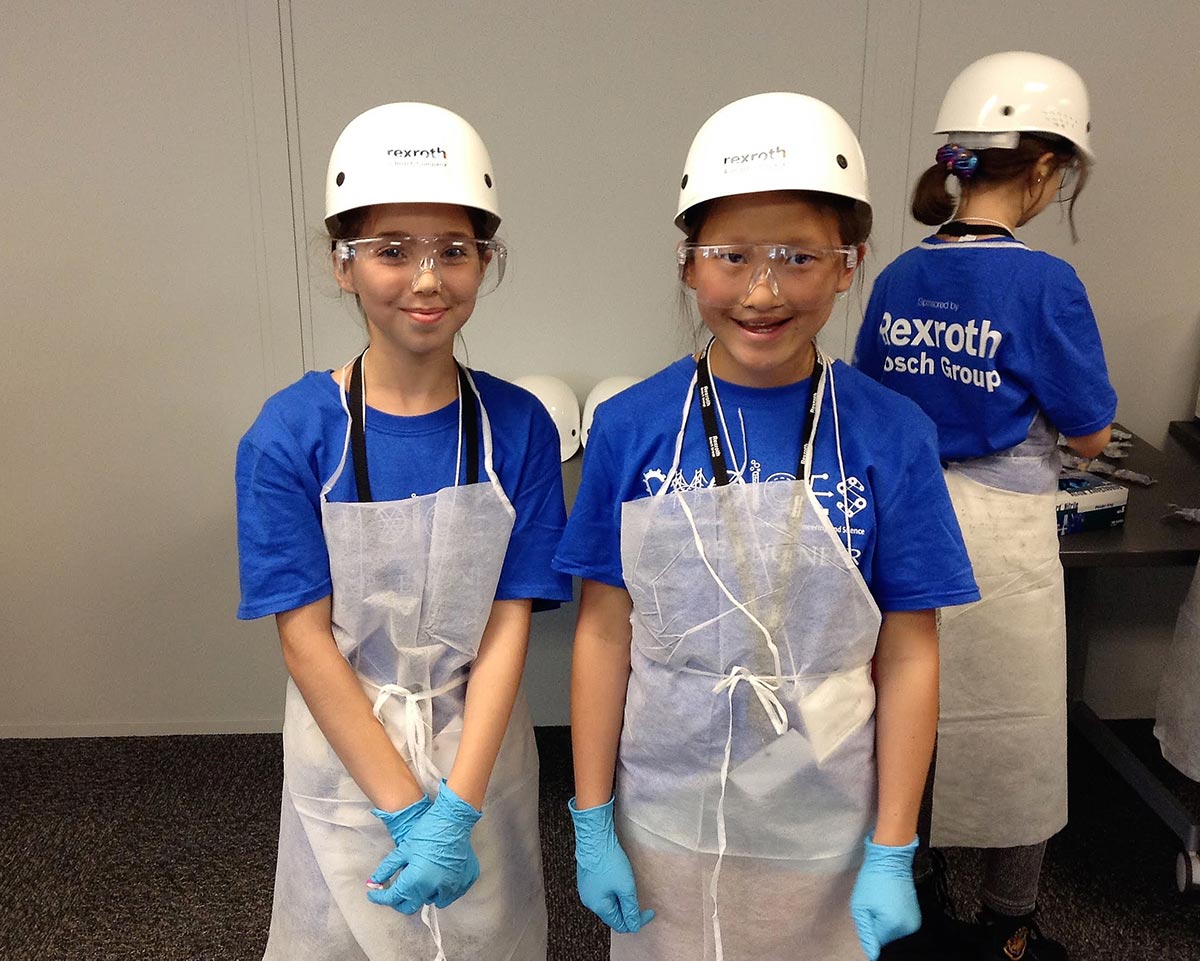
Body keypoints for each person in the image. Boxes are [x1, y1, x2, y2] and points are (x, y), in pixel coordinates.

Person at [554, 92, 980, 961]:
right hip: (663, 800)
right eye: (731, 256)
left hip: (824, 805)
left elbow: (909, 651)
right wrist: (591, 816)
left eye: (797, 256)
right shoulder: (634, 426)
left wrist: (895, 845)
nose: (761, 290)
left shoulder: (891, 433)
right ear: (687, 265)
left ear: (848, 263)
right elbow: (603, 631)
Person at [235, 102, 571, 961]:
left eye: (453, 250)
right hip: (346, 749)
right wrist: (403, 806)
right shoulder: (292, 432)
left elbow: (508, 625)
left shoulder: (518, 426)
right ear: (343, 265)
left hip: (481, 746)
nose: (426, 279)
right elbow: (307, 641)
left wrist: (455, 808)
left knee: (487, 934)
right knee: (342, 931)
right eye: (392, 250)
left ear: (484, 261)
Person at [853, 52, 1116, 961]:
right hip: (1002, 537)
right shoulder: (1045, 285)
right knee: (1015, 731)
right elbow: (1089, 432)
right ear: (1046, 170)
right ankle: (1009, 926)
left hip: (905, 521)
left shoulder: (893, 280)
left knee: (901, 713)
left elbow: (871, 410)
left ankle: (908, 896)